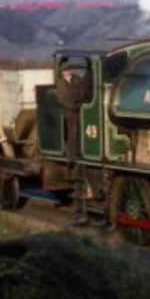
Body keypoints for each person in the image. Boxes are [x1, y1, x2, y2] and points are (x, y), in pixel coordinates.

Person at [56, 60, 92, 225]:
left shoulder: (78, 80)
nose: (68, 73)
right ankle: (73, 156)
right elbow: (67, 101)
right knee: (74, 140)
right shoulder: (61, 86)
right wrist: (78, 103)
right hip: (71, 119)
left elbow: (84, 93)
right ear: (62, 73)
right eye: (66, 71)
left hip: (80, 116)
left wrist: (79, 101)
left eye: (69, 70)